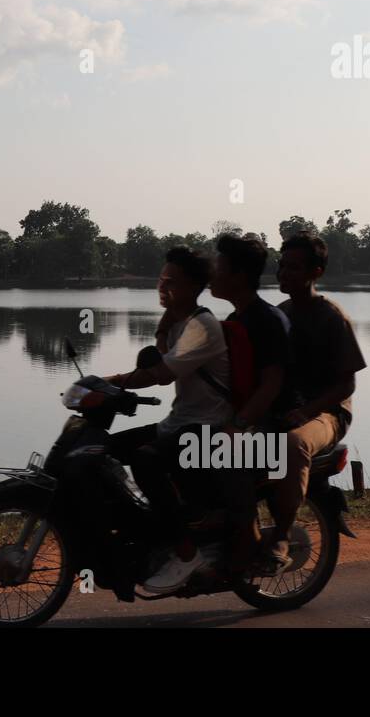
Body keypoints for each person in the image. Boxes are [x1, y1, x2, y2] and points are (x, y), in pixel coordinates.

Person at [105, 245, 232, 592]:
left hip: (208, 429)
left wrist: (105, 384)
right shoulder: (180, 323)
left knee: (145, 461)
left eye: (171, 281)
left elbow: (159, 374)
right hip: (179, 422)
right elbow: (162, 361)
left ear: (193, 286)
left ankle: (186, 553)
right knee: (105, 449)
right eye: (161, 280)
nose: (163, 287)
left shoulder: (201, 327)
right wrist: (164, 326)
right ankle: (149, 524)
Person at [268, 232, 366, 569]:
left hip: (328, 413)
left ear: (316, 272)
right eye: (282, 266)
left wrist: (306, 412)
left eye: (294, 267)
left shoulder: (332, 317)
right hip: (288, 407)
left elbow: (346, 384)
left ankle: (281, 536)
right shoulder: (279, 314)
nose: (284, 273)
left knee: (294, 444)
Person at [207, 232, 300, 575]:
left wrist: (239, 423)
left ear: (239, 276)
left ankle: (247, 539)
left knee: (225, 454)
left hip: (273, 421)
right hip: (246, 416)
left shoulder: (268, 320)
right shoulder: (235, 320)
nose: (213, 275)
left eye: (219, 268)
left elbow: (272, 384)